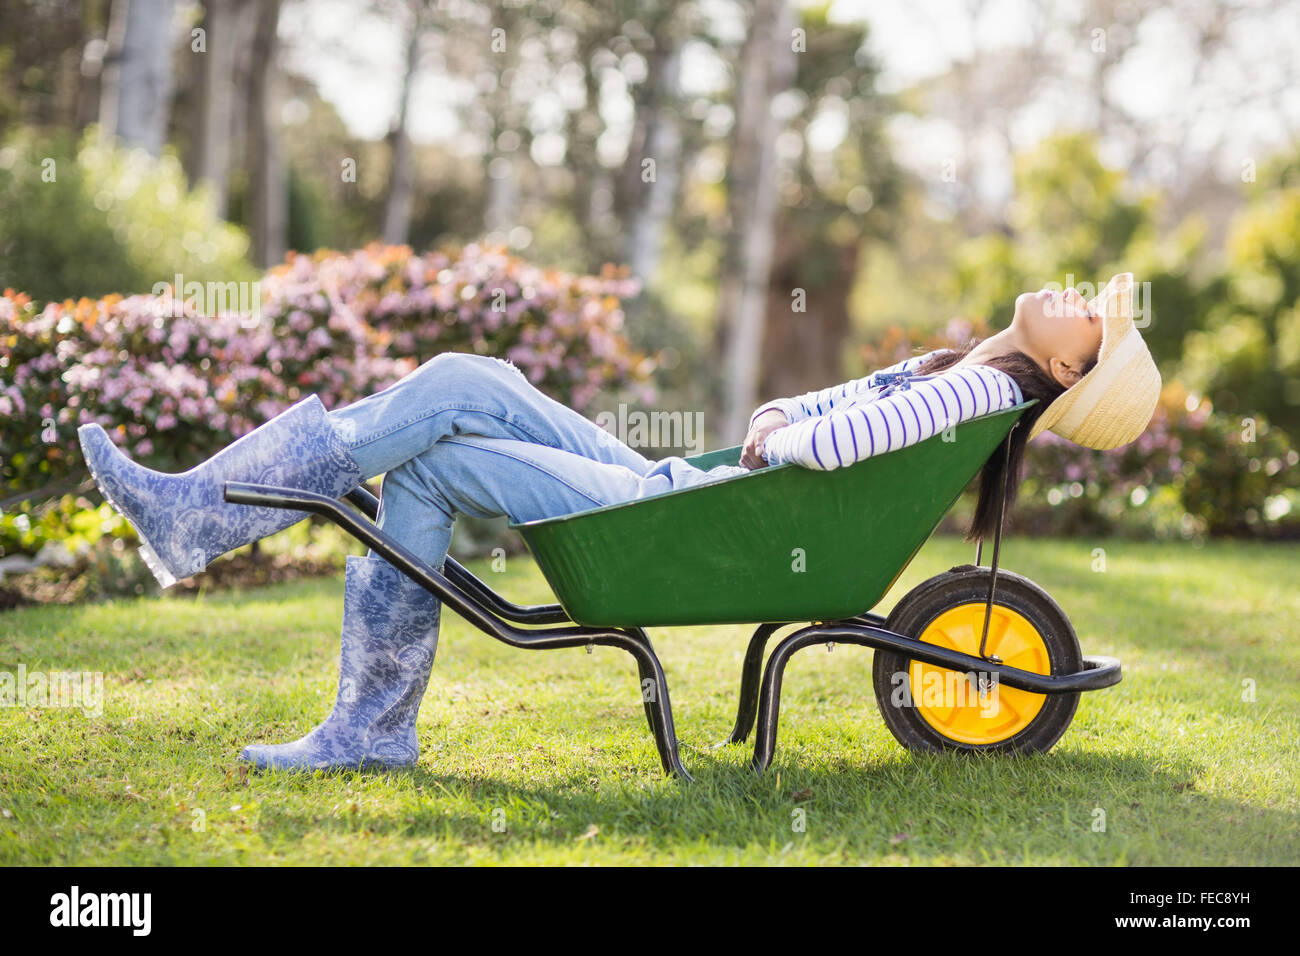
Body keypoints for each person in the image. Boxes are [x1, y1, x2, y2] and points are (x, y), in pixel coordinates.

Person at [77, 272, 1159, 772]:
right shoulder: (959, 368)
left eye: (1087, 318)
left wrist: (774, 432)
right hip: (692, 493)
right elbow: (810, 418)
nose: (1077, 293)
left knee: (443, 439)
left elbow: (821, 443)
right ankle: (354, 708)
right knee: (463, 376)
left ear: (1066, 368)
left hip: (689, 514)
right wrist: (778, 422)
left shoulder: (977, 392)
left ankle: (211, 536)